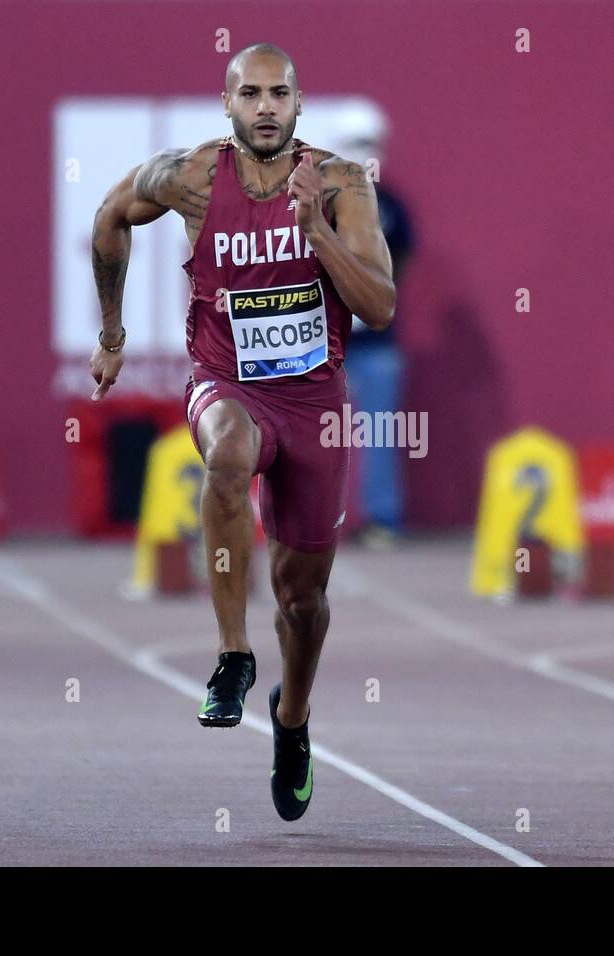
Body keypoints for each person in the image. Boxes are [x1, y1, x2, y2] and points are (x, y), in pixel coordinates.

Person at [89, 43, 395, 821]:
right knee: (225, 458)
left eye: (279, 94)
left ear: (299, 105)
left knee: (304, 600)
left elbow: (382, 306)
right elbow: (110, 217)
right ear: (227, 105)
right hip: (227, 384)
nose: (265, 107)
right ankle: (232, 657)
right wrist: (114, 333)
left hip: (314, 403)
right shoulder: (191, 177)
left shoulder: (341, 184)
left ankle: (291, 720)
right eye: (250, 94)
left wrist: (317, 235)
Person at [332, 107, 416, 544]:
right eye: (356, 145)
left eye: (370, 145)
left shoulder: (393, 209)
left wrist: (373, 299)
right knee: (304, 431)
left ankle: (381, 519)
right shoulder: (314, 201)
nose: (364, 155)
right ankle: (308, 516)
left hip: (377, 340)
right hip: (322, 338)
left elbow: (399, 266)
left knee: (381, 431)